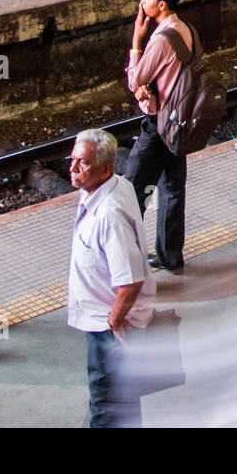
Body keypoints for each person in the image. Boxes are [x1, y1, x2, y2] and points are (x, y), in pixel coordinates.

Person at [66, 128, 155, 428]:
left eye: (84, 163)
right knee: (123, 402)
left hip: (110, 328)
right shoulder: (115, 186)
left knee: (106, 405)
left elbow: (130, 282)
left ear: (105, 169)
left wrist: (114, 323)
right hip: (106, 321)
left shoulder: (109, 214)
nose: (74, 168)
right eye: (73, 160)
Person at [123, 0, 194, 271]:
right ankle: (169, 255)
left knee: (131, 191)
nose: (143, 2)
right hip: (180, 120)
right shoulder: (185, 28)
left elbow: (134, 79)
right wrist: (144, 84)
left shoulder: (161, 39)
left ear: (161, 5)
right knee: (172, 188)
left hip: (158, 124)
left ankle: (127, 262)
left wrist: (137, 40)